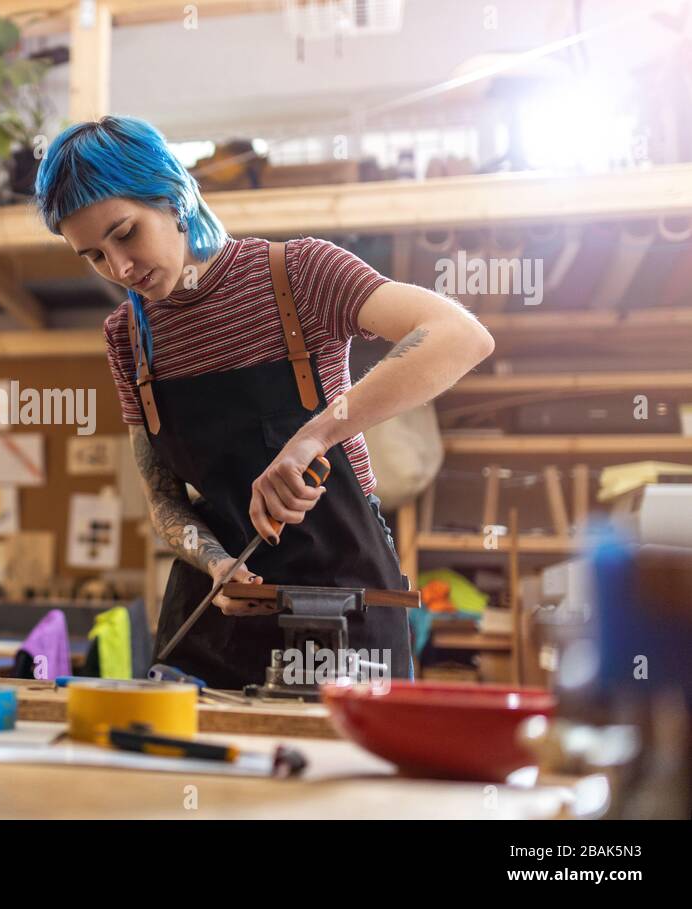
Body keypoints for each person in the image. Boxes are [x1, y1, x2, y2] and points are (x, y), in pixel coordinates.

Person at [34, 116, 495, 689]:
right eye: (95, 256)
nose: (120, 268)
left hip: (343, 612)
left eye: (126, 232)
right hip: (217, 615)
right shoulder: (126, 336)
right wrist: (215, 562)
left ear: (174, 196)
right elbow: (163, 500)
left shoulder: (298, 274)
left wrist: (314, 436)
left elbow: (459, 334)